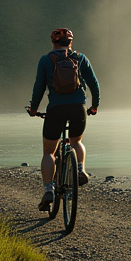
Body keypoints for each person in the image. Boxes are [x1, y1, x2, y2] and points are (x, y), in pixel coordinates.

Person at [27, 27, 100, 211]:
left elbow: (39, 88)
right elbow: (94, 84)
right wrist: (94, 105)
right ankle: (80, 168)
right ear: (71, 42)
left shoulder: (45, 60)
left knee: (48, 152)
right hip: (78, 107)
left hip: (55, 109)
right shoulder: (80, 58)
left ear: (53, 42)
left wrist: (34, 109)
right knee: (76, 141)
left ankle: (48, 190)